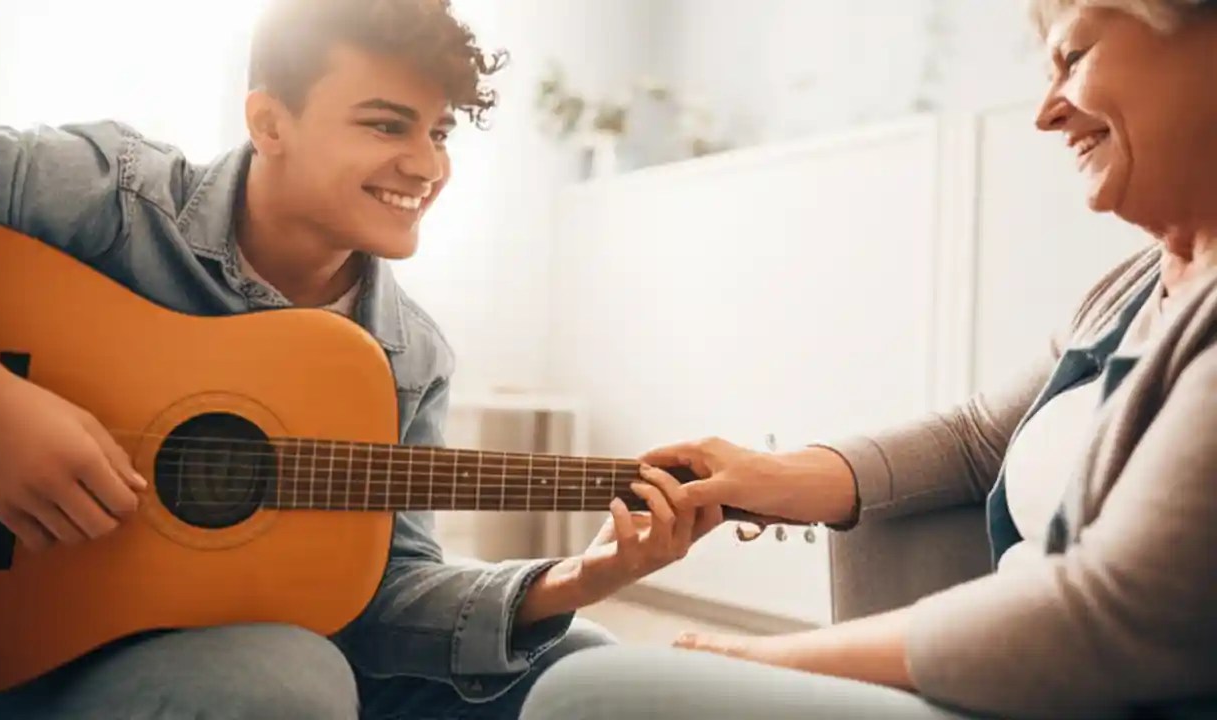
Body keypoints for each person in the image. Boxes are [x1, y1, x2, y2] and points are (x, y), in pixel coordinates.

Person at [0, 1, 724, 718]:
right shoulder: (109, 198)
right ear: (270, 122)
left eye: (439, 132)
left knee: (585, 674)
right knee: (291, 682)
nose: (427, 165)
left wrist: (581, 580)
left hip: (187, 645)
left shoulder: (408, 357)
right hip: (3, 642)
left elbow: (385, 595)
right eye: (387, 125)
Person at [520, 1, 1217, 719]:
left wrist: (771, 658)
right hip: (994, 689)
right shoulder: (1131, 290)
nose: (1045, 113)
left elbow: (1112, 615)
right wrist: (769, 475)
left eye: (1073, 59)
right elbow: (977, 440)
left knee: (585, 693)